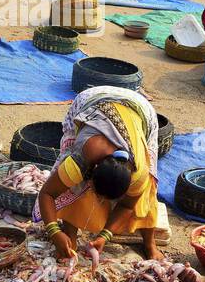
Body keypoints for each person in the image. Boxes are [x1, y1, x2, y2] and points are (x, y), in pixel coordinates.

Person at [37, 86, 164, 262]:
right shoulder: (81, 159)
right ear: (93, 171)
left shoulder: (138, 174)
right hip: (91, 101)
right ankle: (69, 236)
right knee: (74, 189)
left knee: (146, 196)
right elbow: (47, 193)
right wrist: (53, 231)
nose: (103, 202)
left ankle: (150, 244)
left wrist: (105, 235)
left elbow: (127, 206)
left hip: (140, 110)